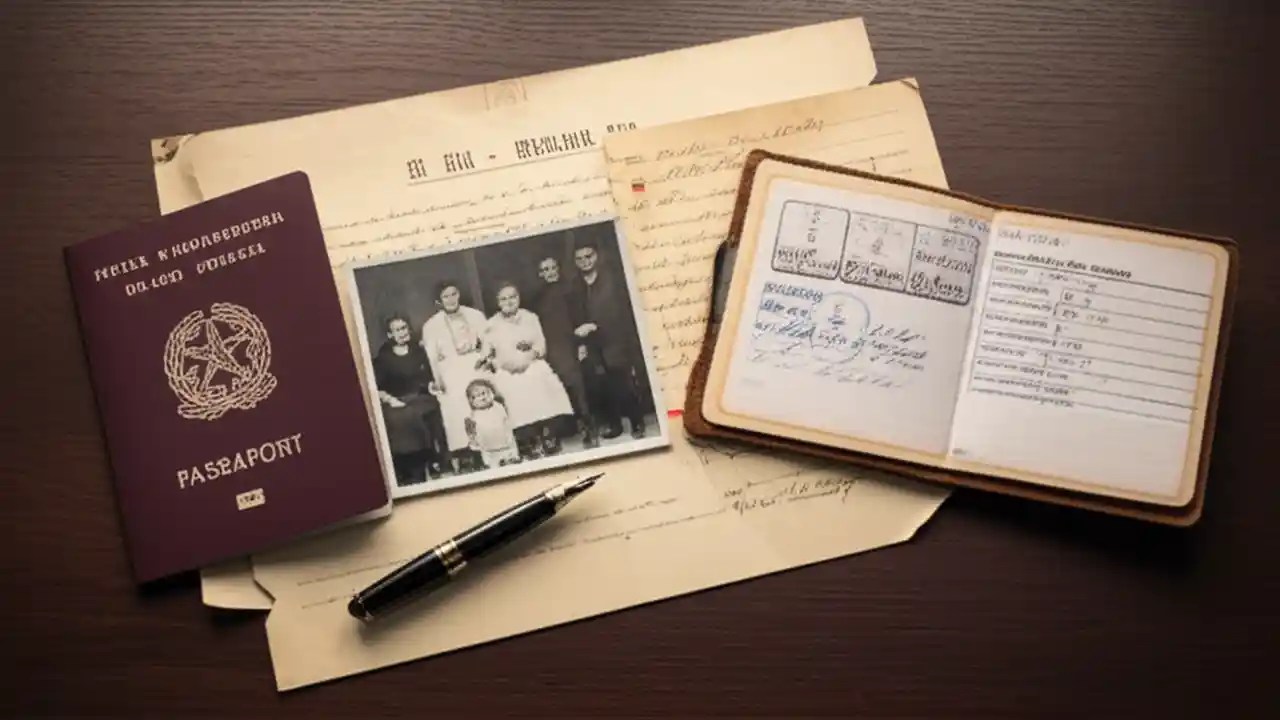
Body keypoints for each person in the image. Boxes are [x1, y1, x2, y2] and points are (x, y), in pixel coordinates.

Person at [567, 239, 648, 440]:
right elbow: (574, 316)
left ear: (597, 255)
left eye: (588, 256)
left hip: (615, 338)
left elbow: (621, 311)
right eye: (579, 259)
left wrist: (596, 325)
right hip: (590, 343)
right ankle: (614, 425)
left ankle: (637, 422)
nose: (585, 261)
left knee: (623, 382)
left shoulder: (613, 279)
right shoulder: (574, 285)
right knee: (600, 385)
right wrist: (580, 341)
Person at [485, 281, 574, 459]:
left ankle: (547, 435)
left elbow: (541, 345)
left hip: (532, 363)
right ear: (497, 302)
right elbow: (487, 353)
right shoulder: (491, 324)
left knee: (540, 382)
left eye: (512, 297)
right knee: (512, 390)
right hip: (507, 368)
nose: (509, 302)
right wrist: (501, 363)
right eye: (503, 299)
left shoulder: (530, 317)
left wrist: (529, 356)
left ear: (519, 298)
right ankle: (529, 440)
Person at [421, 280, 490, 473]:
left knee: (482, 399)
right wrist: (438, 380)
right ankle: (467, 453)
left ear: (459, 294)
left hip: (475, 362)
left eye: (454, 294)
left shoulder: (475, 315)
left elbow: (488, 342)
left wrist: (485, 360)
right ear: (438, 301)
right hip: (449, 368)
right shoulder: (431, 325)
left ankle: (490, 448)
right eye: (445, 296)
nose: (451, 299)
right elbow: (432, 358)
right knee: (456, 406)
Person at [372, 315, 444, 485]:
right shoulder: (384, 358)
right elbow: (378, 388)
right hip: (395, 400)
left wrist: (431, 386)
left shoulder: (419, 351)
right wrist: (391, 400)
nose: (402, 332)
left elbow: (425, 379)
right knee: (404, 417)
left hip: (419, 398)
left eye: (404, 328)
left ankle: (435, 460)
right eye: (397, 330)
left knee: (431, 409)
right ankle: (413, 469)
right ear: (390, 335)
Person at [530, 255, 593, 447]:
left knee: (578, 387)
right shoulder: (537, 297)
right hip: (551, 347)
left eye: (552, 267)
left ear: (558, 268)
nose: (550, 272)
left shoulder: (571, 289)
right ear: (540, 274)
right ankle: (568, 427)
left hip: (570, 343)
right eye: (545, 270)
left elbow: (581, 317)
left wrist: (582, 344)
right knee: (559, 387)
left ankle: (589, 428)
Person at [462, 378, 520, 468]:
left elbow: (506, 423)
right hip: (489, 450)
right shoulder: (474, 416)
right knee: (494, 465)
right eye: (475, 396)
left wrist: (509, 436)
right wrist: (473, 441)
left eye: (484, 393)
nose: (481, 398)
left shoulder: (498, 407)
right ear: (471, 401)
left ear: (492, 392)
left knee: (512, 462)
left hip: (506, 444)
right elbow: (472, 433)